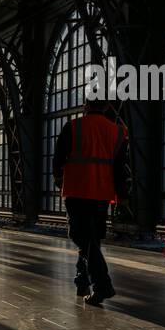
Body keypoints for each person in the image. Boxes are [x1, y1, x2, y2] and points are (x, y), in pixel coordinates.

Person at [52, 97, 131, 306]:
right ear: (106, 107)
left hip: (77, 189)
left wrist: (58, 176)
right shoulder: (117, 132)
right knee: (91, 239)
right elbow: (120, 167)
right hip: (102, 193)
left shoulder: (73, 126)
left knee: (80, 235)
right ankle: (82, 281)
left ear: (86, 105)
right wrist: (122, 194)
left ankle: (102, 284)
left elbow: (58, 156)